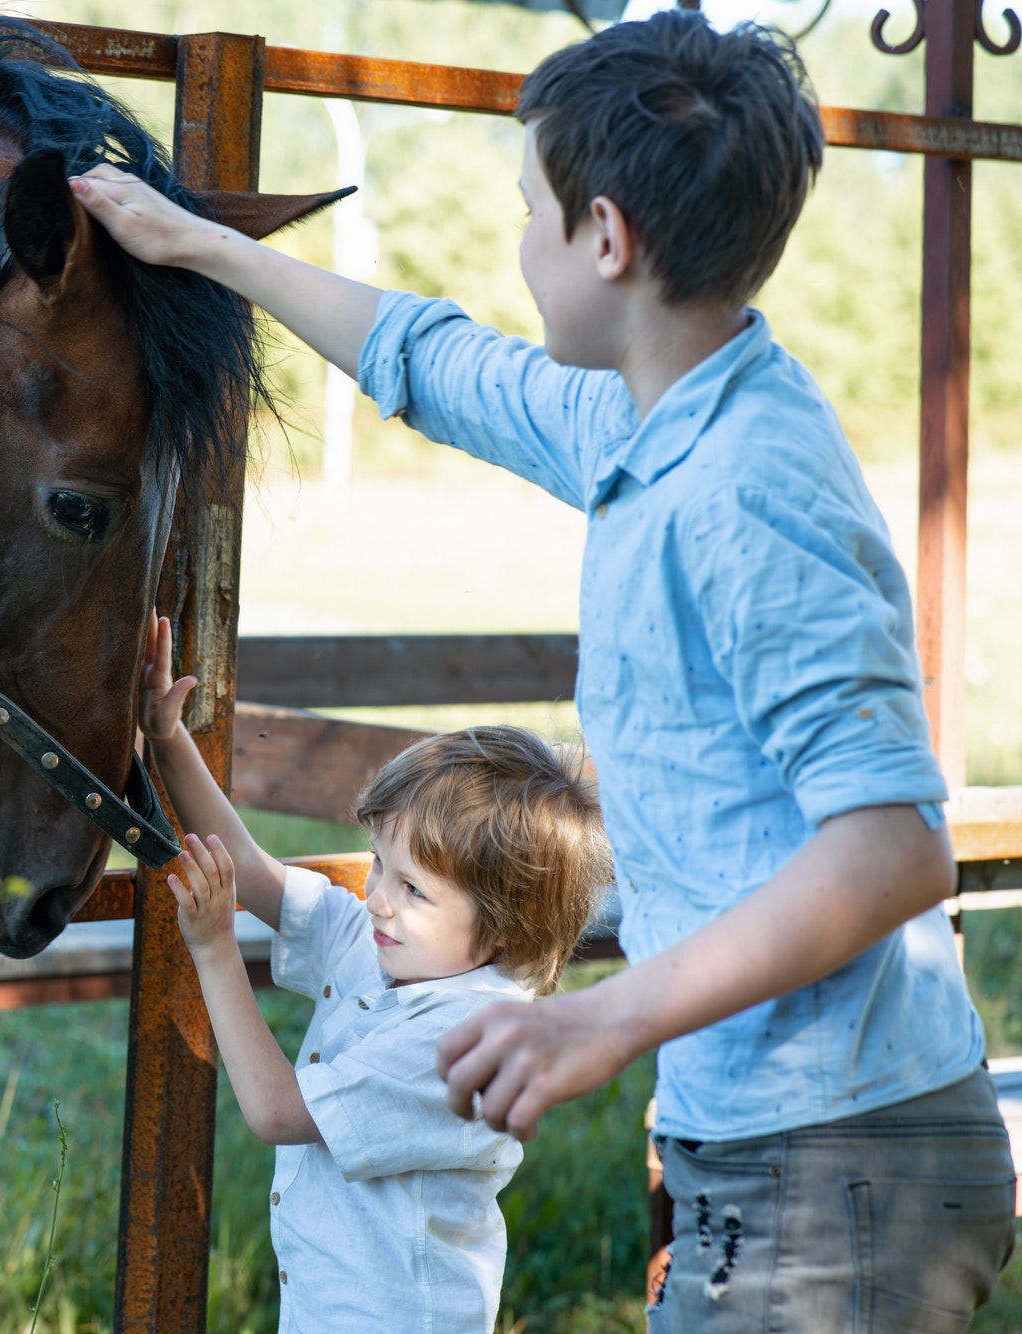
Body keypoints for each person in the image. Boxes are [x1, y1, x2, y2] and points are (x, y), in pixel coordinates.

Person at [74, 11, 1016, 1331]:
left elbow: (893, 852)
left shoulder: (748, 491)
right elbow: (433, 358)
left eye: (533, 213)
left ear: (608, 238)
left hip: (842, 1153)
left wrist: (604, 1018)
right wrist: (208, 250)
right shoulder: (645, 412)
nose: (520, 245)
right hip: (770, 1134)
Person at [146, 610, 606, 1334]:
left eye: (413, 888)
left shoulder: (467, 1040)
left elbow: (278, 1113)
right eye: (380, 866)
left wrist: (213, 949)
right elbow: (258, 875)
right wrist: (168, 743)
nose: (377, 899)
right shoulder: (392, 943)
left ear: (505, 924)